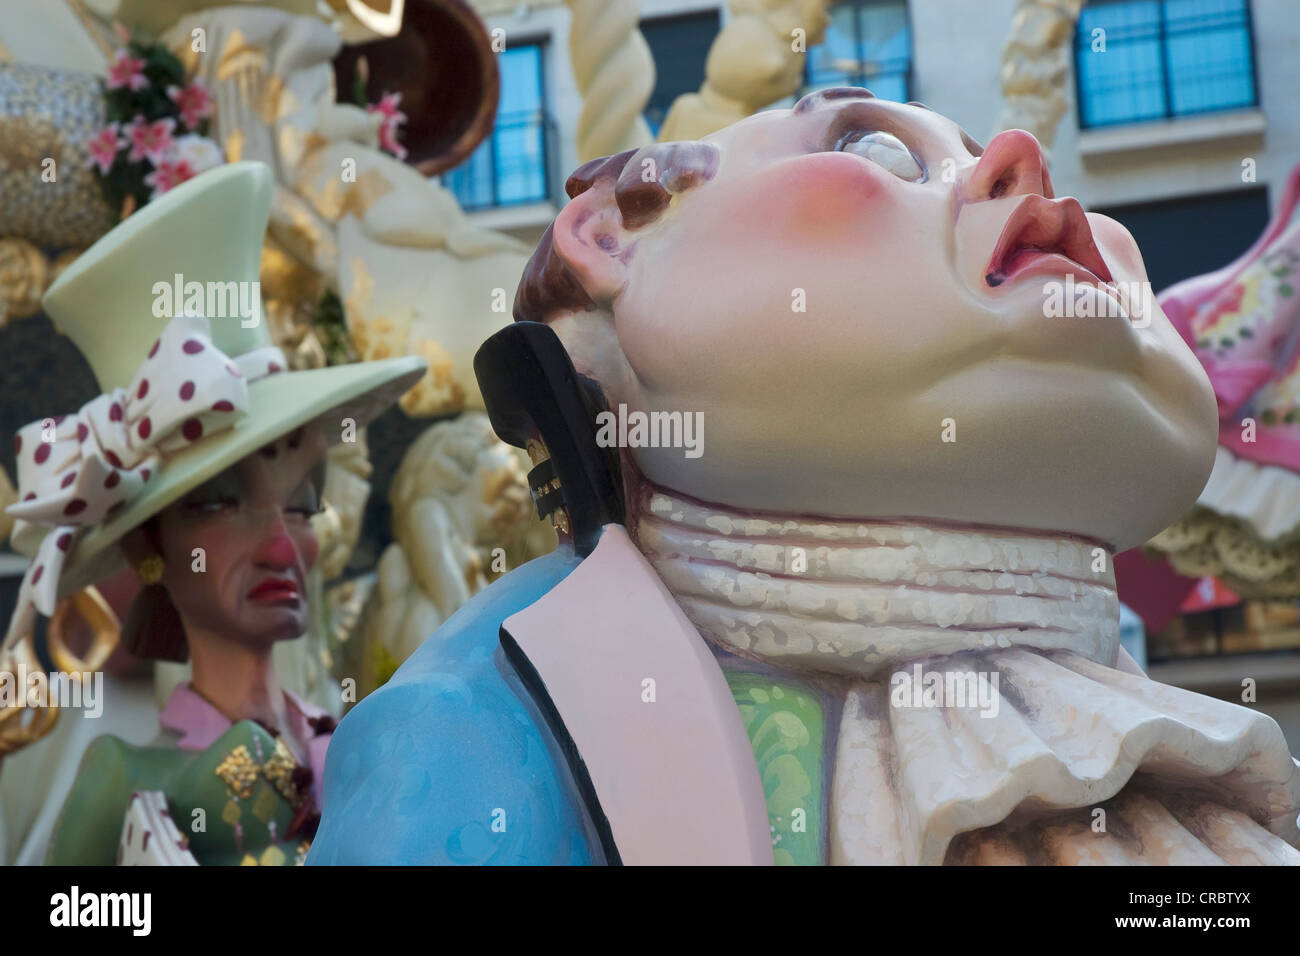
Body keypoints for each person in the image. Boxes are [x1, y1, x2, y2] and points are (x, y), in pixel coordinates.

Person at [309, 89, 1300, 865]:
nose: (1016, 161)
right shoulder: (474, 733)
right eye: (875, 149)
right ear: (608, 237)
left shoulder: (1150, 721)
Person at [0, 161, 424, 864]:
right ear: (147, 547)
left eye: (301, 506)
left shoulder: (358, 750)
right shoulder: (125, 778)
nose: (284, 548)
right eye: (222, 504)